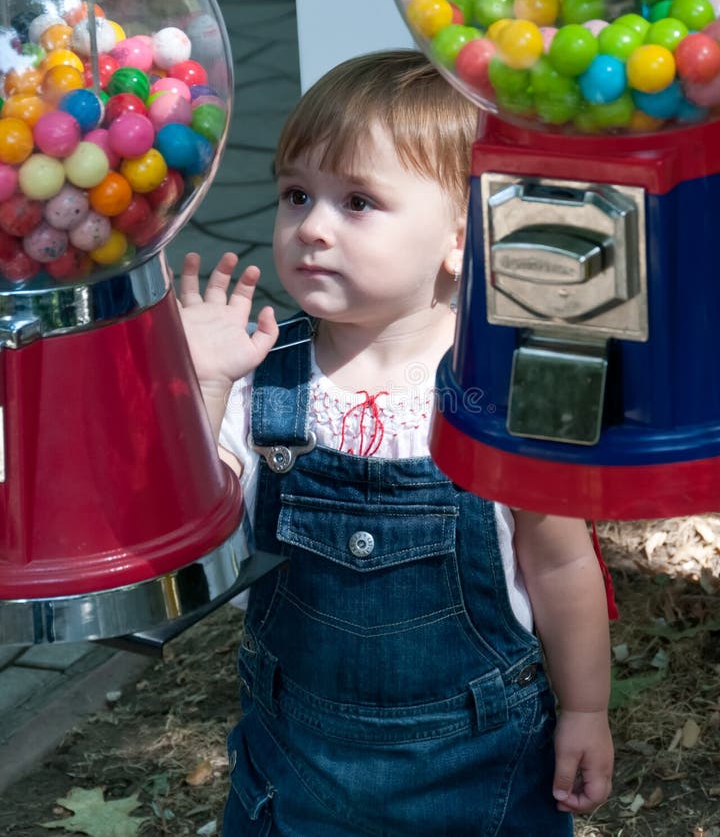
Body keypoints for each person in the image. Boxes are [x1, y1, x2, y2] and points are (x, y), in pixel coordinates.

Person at [178, 49, 614, 836]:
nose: (310, 227)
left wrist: (585, 710)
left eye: (357, 202)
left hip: (477, 771)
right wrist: (205, 386)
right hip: (295, 762)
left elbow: (560, 564)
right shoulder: (264, 379)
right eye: (296, 194)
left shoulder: (506, 390)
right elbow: (194, 532)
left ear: (458, 235)